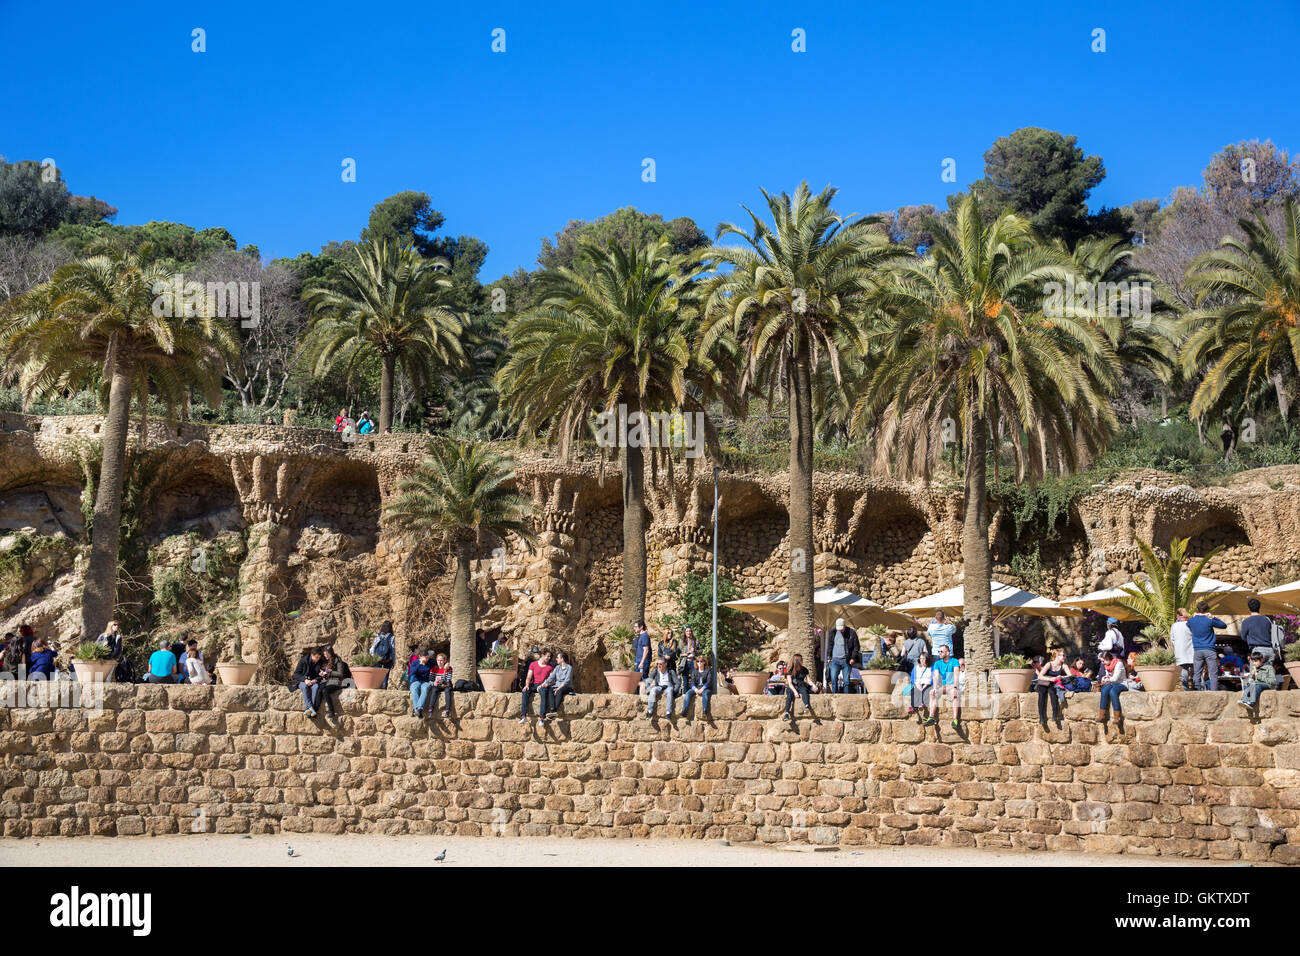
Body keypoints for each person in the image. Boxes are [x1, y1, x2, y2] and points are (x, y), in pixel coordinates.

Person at [1188, 601, 1227, 691]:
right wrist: (1213, 617)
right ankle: (1214, 692)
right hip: (1210, 649)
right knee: (1213, 673)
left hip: (1197, 650)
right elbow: (1223, 625)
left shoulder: (1192, 620)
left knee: (1197, 672)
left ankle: (1197, 691)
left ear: (1197, 609)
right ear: (1207, 610)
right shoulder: (1210, 620)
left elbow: (1188, 624)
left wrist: (1194, 616)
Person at [926, 644, 962, 728]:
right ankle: (931, 718)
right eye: (938, 651)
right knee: (932, 693)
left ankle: (955, 720)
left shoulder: (954, 661)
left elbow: (956, 675)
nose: (939, 653)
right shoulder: (937, 663)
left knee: (955, 694)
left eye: (941, 651)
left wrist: (955, 687)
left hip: (952, 685)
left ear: (948, 652)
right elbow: (935, 676)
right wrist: (934, 688)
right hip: (942, 686)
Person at [824, 618, 860, 694]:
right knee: (833, 680)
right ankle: (835, 695)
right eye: (839, 629)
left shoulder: (851, 633)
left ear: (844, 626)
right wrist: (828, 657)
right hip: (835, 660)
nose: (840, 630)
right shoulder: (833, 632)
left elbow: (856, 647)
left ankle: (845, 696)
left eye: (842, 628)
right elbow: (830, 645)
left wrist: (853, 658)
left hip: (846, 660)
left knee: (846, 681)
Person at [519, 649, 553, 722]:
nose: (549, 658)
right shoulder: (533, 664)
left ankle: (542, 717)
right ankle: (523, 716)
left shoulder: (550, 667)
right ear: (542, 655)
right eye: (548, 656)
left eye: (550, 656)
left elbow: (551, 681)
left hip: (543, 685)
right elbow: (529, 677)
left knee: (543, 693)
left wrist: (545, 685)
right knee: (525, 691)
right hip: (534, 685)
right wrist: (527, 685)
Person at [1097, 650, 1128, 734]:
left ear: (1108, 659)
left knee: (1113, 691)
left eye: (1103, 661)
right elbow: (1108, 677)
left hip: (1122, 684)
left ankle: (1117, 716)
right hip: (1112, 683)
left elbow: (1115, 678)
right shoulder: (1107, 666)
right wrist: (1105, 679)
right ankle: (1102, 714)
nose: (1103, 663)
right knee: (1104, 690)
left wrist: (1106, 679)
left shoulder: (1119, 664)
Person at [1035, 651, 1067, 728]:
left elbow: (1070, 675)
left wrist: (1061, 677)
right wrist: (1051, 678)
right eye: (1062, 655)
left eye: (1064, 655)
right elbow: (1040, 676)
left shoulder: (1064, 665)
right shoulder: (1049, 664)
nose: (1064, 657)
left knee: (1053, 693)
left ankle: (1054, 715)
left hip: (1053, 685)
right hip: (1044, 683)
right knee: (1042, 694)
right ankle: (1041, 717)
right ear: (1057, 656)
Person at [290, 647, 325, 717]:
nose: (317, 659)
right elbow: (295, 674)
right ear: (312, 654)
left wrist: (315, 680)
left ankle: (308, 710)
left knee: (316, 687)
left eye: (319, 657)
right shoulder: (303, 661)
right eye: (316, 657)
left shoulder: (319, 662)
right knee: (305, 687)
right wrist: (305, 680)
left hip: (313, 681)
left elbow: (320, 676)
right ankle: (310, 709)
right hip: (302, 681)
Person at [319, 646, 350, 718]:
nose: (325, 656)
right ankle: (315, 708)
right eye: (324, 655)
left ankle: (331, 711)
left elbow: (340, 674)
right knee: (318, 688)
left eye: (326, 654)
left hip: (338, 682)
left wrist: (330, 672)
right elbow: (328, 674)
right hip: (330, 681)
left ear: (330, 653)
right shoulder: (329, 661)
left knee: (325, 691)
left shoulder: (337, 660)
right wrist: (324, 674)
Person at [680, 654, 713, 719]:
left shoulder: (708, 671)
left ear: (704, 662)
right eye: (697, 661)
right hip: (697, 687)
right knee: (688, 693)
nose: (699, 663)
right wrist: (695, 689)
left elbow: (709, 682)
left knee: (705, 694)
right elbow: (692, 681)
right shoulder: (694, 671)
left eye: (701, 661)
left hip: (706, 688)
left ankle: (704, 711)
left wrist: (702, 688)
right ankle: (684, 711)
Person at [783, 653, 813, 721]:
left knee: (804, 691)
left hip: (801, 685)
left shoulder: (804, 669)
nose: (802, 661)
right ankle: (787, 713)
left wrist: (813, 686)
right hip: (792, 687)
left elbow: (809, 680)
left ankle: (807, 706)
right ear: (798, 661)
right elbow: (790, 683)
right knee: (790, 695)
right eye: (801, 660)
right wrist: (795, 692)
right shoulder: (790, 670)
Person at [1171, 607, 1195, 690]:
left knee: (1184, 673)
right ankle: (1200, 691)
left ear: (1177, 615)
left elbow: (1172, 639)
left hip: (1180, 653)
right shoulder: (1190, 624)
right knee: (1196, 673)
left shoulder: (1174, 626)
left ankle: (1186, 690)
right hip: (1192, 652)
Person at [545, 651, 573, 719]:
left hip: (566, 686)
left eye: (557, 658)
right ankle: (552, 710)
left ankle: (554, 711)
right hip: (557, 686)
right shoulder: (557, 667)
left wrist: (558, 688)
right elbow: (551, 677)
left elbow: (567, 680)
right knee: (550, 689)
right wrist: (544, 683)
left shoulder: (569, 668)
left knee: (559, 691)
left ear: (562, 659)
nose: (556, 659)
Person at [425, 652, 453, 717]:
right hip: (437, 685)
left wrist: (445, 670)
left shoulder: (449, 669)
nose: (439, 662)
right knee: (434, 690)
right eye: (438, 660)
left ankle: (447, 710)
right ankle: (430, 710)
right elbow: (431, 680)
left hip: (446, 685)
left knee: (447, 691)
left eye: (441, 660)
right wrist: (434, 682)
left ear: (445, 661)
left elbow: (448, 680)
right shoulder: (433, 669)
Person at [409, 649, 434, 717]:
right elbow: (412, 672)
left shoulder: (430, 662)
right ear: (420, 656)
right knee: (414, 689)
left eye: (427, 657)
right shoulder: (415, 663)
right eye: (425, 657)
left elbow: (439, 662)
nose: (426, 659)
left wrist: (446, 664)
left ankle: (418, 708)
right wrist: (420, 664)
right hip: (415, 681)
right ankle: (418, 711)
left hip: (425, 681)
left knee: (425, 689)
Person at [370, 622, 396, 688]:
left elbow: (373, 647)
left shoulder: (378, 635)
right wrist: (393, 660)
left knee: (376, 675)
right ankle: (384, 688)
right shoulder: (391, 637)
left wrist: (373, 657)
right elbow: (393, 650)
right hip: (388, 660)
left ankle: (377, 688)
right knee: (385, 677)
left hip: (377, 659)